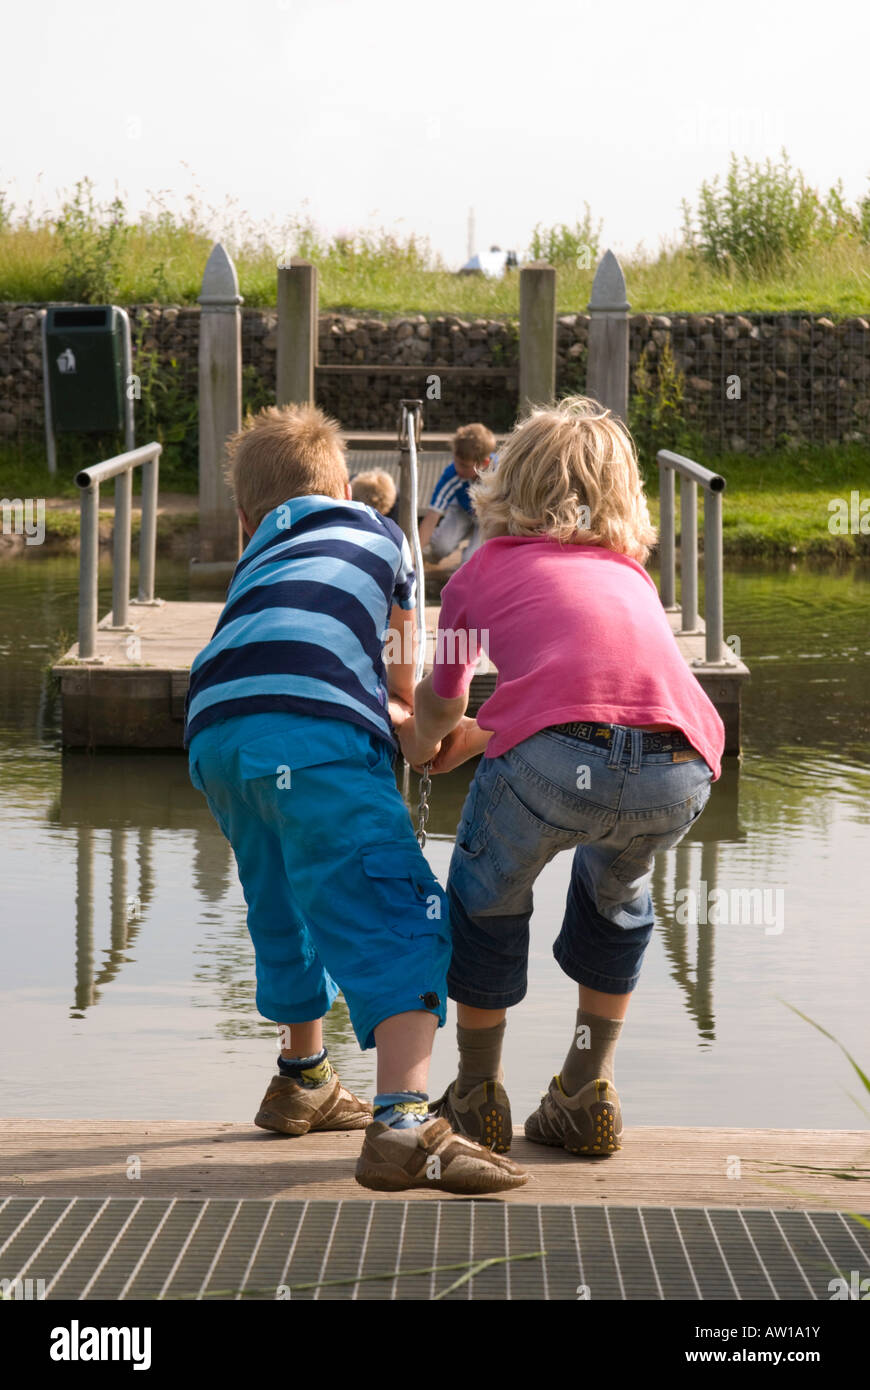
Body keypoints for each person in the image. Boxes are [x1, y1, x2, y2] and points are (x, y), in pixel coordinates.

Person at [184, 403, 526, 1195]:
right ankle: (403, 1121)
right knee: (400, 910)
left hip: (217, 735)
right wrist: (433, 733)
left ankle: (302, 1075)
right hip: (314, 738)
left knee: (285, 898)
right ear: (345, 486)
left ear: (246, 518)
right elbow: (405, 679)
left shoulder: (257, 558)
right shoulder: (383, 535)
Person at [399, 396, 725, 1157]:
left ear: (508, 483)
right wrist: (485, 737)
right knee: (617, 899)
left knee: (487, 893)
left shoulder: (481, 573)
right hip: (678, 766)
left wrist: (425, 740)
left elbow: (445, 705)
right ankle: (586, 1090)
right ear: (623, 495)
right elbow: (599, 694)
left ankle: (478, 1095)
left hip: (555, 763)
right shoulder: (630, 576)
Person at [418, 422, 496, 564]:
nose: (457, 468)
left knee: (471, 559)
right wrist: (413, 557)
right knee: (440, 546)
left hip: (489, 517)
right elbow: (432, 516)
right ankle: (428, 561)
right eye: (455, 461)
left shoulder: (499, 474)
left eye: (464, 466)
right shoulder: (453, 474)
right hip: (463, 509)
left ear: (484, 463)